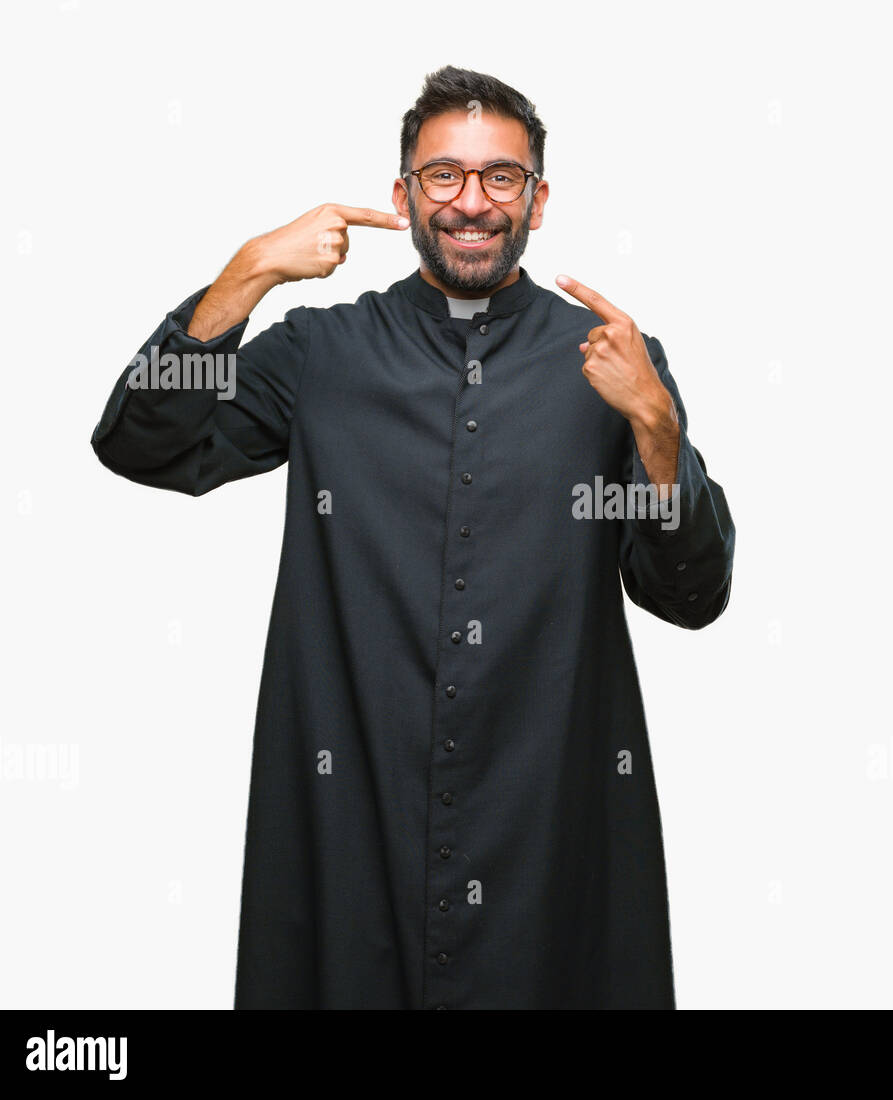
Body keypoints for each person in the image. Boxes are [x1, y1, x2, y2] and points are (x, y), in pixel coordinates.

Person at [91, 65, 735, 1009]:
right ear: (403, 194)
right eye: (444, 175)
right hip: (351, 835)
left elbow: (691, 597)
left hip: (548, 840)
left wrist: (657, 432)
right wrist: (250, 273)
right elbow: (141, 444)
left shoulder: (610, 362)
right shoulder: (319, 353)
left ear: (538, 201)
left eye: (500, 178)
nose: (471, 202)